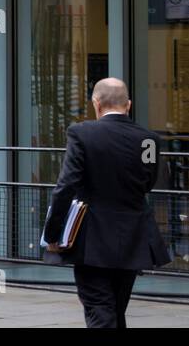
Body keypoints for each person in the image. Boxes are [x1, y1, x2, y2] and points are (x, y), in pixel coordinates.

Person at [43, 78, 171, 328]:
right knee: (116, 309)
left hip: (93, 239)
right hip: (134, 237)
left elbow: (66, 186)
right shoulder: (149, 140)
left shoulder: (82, 133)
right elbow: (148, 183)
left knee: (100, 310)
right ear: (129, 105)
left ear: (96, 103)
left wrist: (53, 233)